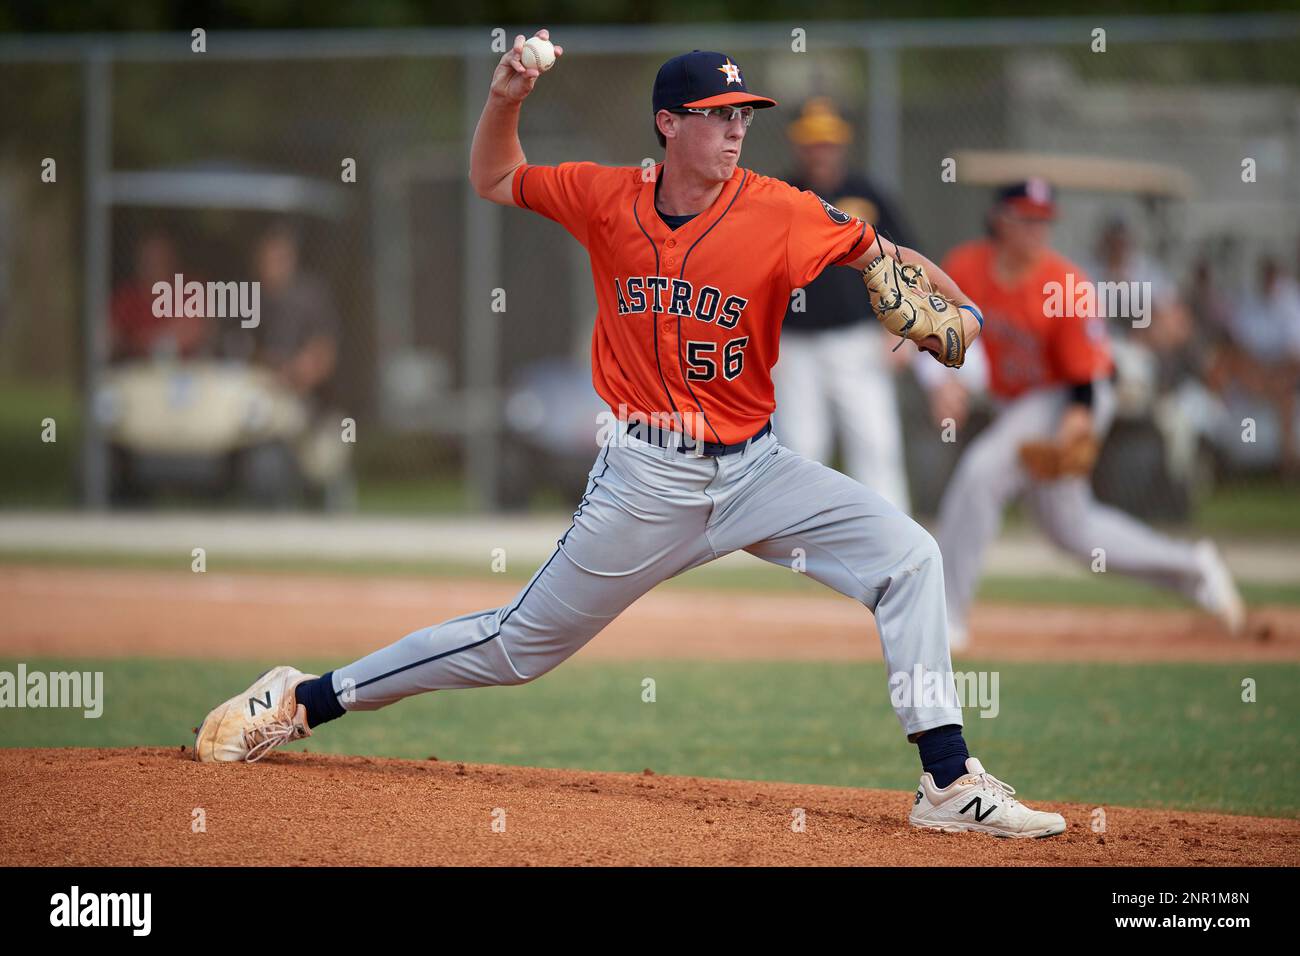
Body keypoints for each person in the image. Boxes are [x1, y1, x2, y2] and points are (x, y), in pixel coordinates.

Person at [194, 36, 1066, 839]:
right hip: (648, 479)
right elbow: (497, 179)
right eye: (719, 117)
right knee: (513, 649)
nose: (736, 132)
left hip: (759, 469)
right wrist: (506, 97)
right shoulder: (606, 197)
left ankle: (948, 784)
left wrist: (960, 310)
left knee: (910, 559)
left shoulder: (782, 210)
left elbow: (888, 258)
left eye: (744, 116)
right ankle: (302, 699)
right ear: (668, 124)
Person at [928, 181, 1246, 651]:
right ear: (999, 218)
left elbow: (1085, 374)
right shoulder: (966, 266)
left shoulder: (1064, 282)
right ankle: (1195, 566)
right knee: (1072, 531)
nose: (1038, 228)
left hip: (1078, 392)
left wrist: (1077, 423)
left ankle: (945, 618)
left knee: (982, 471)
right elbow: (937, 328)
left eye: (1044, 219)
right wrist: (943, 381)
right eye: (1026, 217)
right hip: (1022, 401)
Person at [772, 97, 915, 511]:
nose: (820, 151)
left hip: (859, 337)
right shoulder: (781, 194)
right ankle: (803, 541)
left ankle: (892, 535)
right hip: (794, 343)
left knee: (875, 441)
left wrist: (901, 328)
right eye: (812, 143)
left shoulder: (867, 193)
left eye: (827, 142)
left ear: (841, 144)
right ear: (797, 145)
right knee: (801, 447)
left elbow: (902, 258)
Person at [109, 229, 208, 362]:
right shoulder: (126, 295)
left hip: (185, 375)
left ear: (172, 260)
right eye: (148, 258)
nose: (155, 264)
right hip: (136, 373)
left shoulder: (190, 289)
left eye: (161, 257)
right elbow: (109, 338)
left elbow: (193, 331)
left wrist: (135, 340)